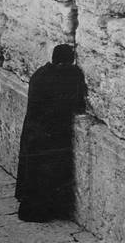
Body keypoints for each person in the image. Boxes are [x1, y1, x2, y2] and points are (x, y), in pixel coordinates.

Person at [15, 44, 87, 222]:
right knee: (45, 173)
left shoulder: (40, 73)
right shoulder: (61, 77)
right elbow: (75, 103)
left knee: (33, 170)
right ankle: (40, 212)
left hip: (33, 129)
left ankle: (31, 205)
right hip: (49, 134)